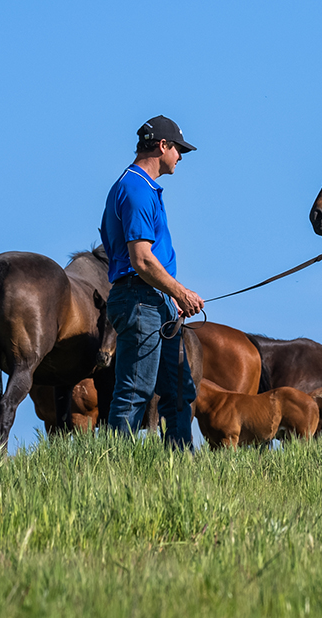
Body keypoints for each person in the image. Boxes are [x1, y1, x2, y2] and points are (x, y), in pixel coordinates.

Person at [100, 115, 205, 448]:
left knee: (178, 391)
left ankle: (180, 466)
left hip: (155, 302)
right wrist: (180, 292)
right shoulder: (136, 190)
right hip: (140, 301)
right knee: (135, 391)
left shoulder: (138, 187)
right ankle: (114, 469)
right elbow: (141, 258)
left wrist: (171, 298)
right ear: (163, 146)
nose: (180, 157)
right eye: (179, 150)